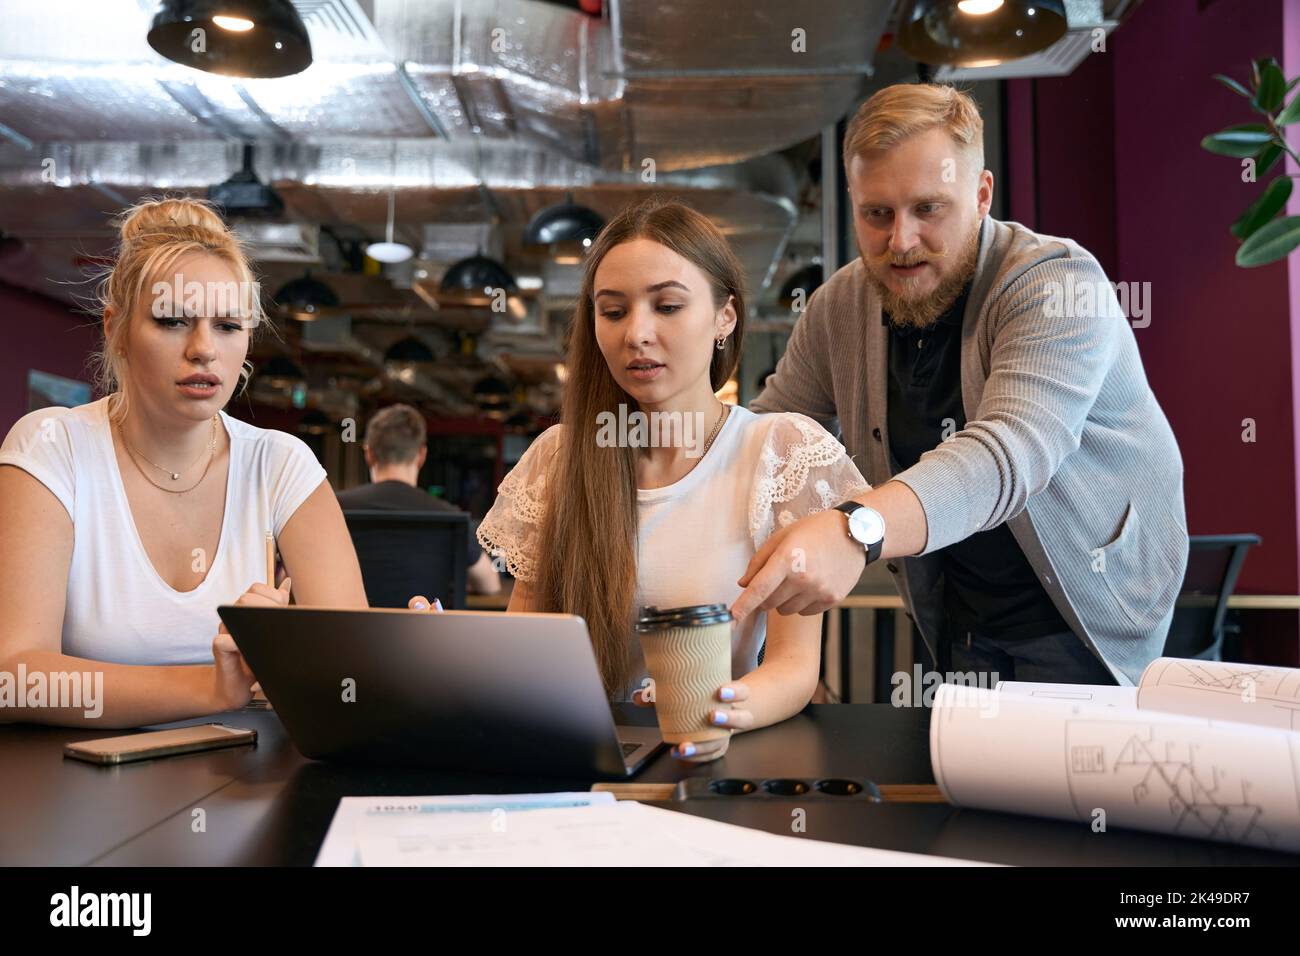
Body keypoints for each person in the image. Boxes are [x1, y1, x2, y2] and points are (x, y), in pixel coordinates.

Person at [738, 82, 1188, 686]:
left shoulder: (1057, 284)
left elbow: (1006, 453)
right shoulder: (839, 306)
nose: (900, 241)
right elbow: (769, 437)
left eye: (928, 209)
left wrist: (855, 528)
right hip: (957, 614)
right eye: (877, 214)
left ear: (981, 196)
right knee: (970, 782)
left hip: (1092, 611)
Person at [416, 197, 870, 763]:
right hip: (577, 768)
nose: (638, 333)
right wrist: (448, 657)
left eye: (669, 306)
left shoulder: (782, 453)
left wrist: (713, 708)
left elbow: (795, 668)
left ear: (724, 317)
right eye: (613, 312)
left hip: (707, 769)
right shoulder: (557, 460)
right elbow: (528, 646)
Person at [0, 196, 368, 728]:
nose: (203, 349)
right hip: (78, 791)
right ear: (115, 330)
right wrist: (212, 687)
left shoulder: (282, 465)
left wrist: (381, 655)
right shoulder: (53, 446)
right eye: (173, 321)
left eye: (227, 325)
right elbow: (15, 679)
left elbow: (349, 678)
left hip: (243, 787)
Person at [336, 403, 501, 595]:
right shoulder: (451, 517)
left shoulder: (334, 509)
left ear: (369, 454)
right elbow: (490, 585)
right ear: (421, 455)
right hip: (425, 625)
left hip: (348, 626)